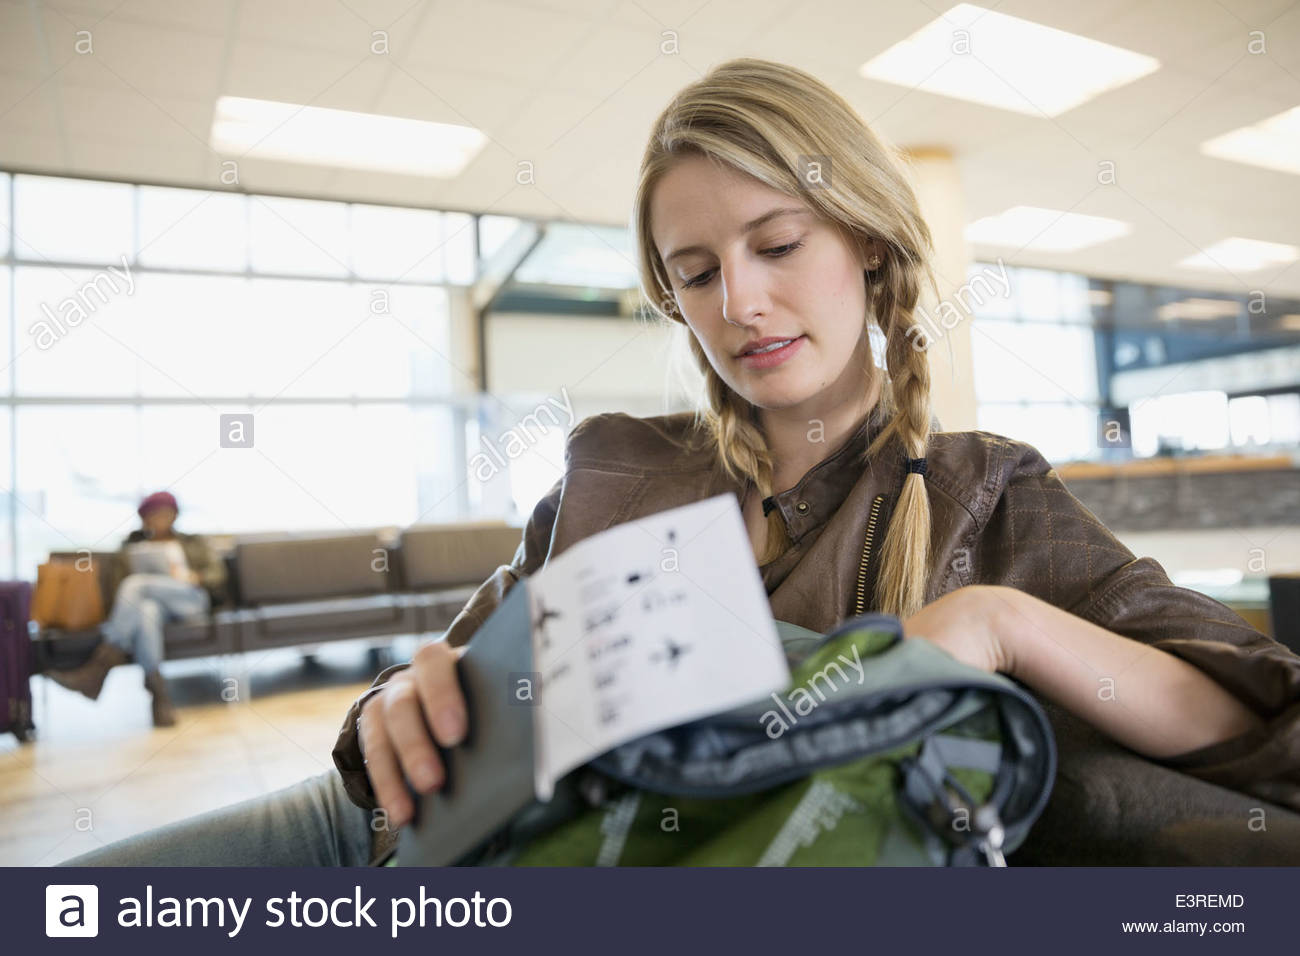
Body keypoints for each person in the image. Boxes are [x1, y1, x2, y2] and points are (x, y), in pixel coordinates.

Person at [61, 58, 1300, 868]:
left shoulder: (985, 490)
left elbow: (1247, 713)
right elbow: (460, 672)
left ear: (865, 243)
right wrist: (397, 700)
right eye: (696, 274)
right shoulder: (617, 467)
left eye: (775, 244)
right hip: (413, 829)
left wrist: (998, 622)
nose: (741, 303)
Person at [47, 491, 227, 727]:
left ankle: (99, 667)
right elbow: (118, 590)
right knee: (146, 611)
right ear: (144, 518)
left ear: (175, 515)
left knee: (136, 584)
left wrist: (197, 576)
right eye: (154, 515)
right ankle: (159, 698)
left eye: (166, 514)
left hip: (190, 601)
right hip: (154, 606)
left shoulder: (193, 542)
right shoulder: (130, 546)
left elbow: (219, 574)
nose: (161, 519)